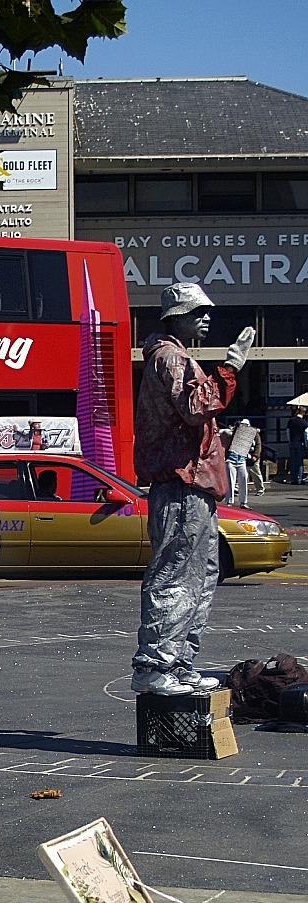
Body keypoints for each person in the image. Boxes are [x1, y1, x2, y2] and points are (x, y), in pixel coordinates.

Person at [131, 282, 253, 696]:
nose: (205, 317)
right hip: (182, 482)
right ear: (176, 316)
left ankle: (178, 663)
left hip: (191, 483)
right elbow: (197, 406)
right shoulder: (171, 358)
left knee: (199, 575)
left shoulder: (174, 357)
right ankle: (156, 666)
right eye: (196, 311)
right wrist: (231, 368)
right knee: (178, 573)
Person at [224, 418, 257, 509]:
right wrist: (234, 430)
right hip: (231, 460)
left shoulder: (248, 436)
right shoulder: (231, 433)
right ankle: (229, 501)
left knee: (244, 480)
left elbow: (253, 444)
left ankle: (243, 502)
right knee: (231, 481)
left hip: (241, 460)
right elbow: (224, 432)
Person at [287, 406, 307, 485]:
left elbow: (287, 432)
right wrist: (306, 445)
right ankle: (300, 478)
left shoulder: (291, 421)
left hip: (292, 442)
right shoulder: (304, 423)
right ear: (303, 413)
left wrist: (289, 441)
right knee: (299, 462)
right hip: (300, 443)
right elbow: (306, 435)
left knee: (293, 461)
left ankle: (293, 479)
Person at [247, 423, 266, 496]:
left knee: (256, 473)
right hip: (244, 455)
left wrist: (255, 455)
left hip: (253, 456)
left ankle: (260, 489)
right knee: (243, 475)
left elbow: (258, 445)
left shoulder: (255, 434)